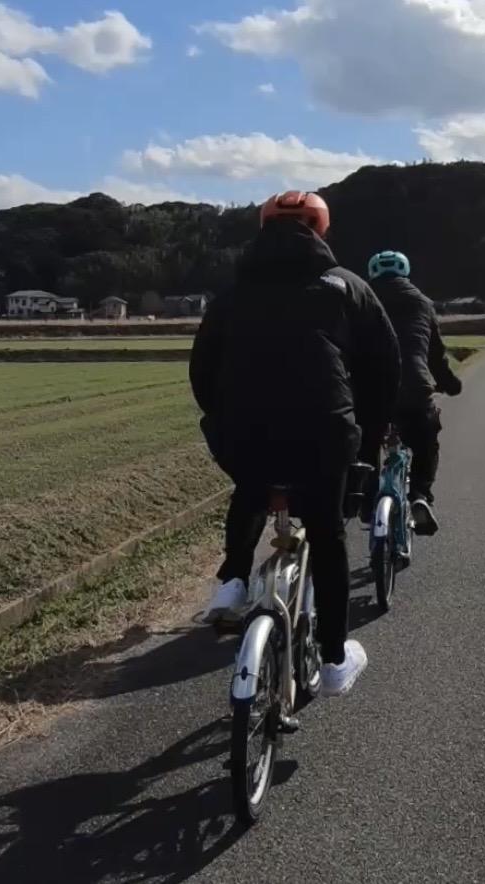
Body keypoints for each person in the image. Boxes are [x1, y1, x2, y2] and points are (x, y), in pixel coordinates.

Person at [189, 191, 400, 698]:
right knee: (326, 536)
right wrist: (367, 437)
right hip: (323, 432)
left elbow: (202, 371)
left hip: (240, 433)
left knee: (252, 483)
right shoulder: (346, 286)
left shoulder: (232, 293)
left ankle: (233, 580)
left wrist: (222, 418)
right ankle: (332, 662)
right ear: (321, 230)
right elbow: (384, 368)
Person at [361, 250, 462, 536]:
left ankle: (367, 502)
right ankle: (419, 495)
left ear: (372, 273)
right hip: (415, 389)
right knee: (426, 443)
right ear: (406, 272)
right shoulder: (422, 302)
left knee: (366, 445)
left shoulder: (362, 299)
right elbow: (435, 355)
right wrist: (451, 384)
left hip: (371, 391)